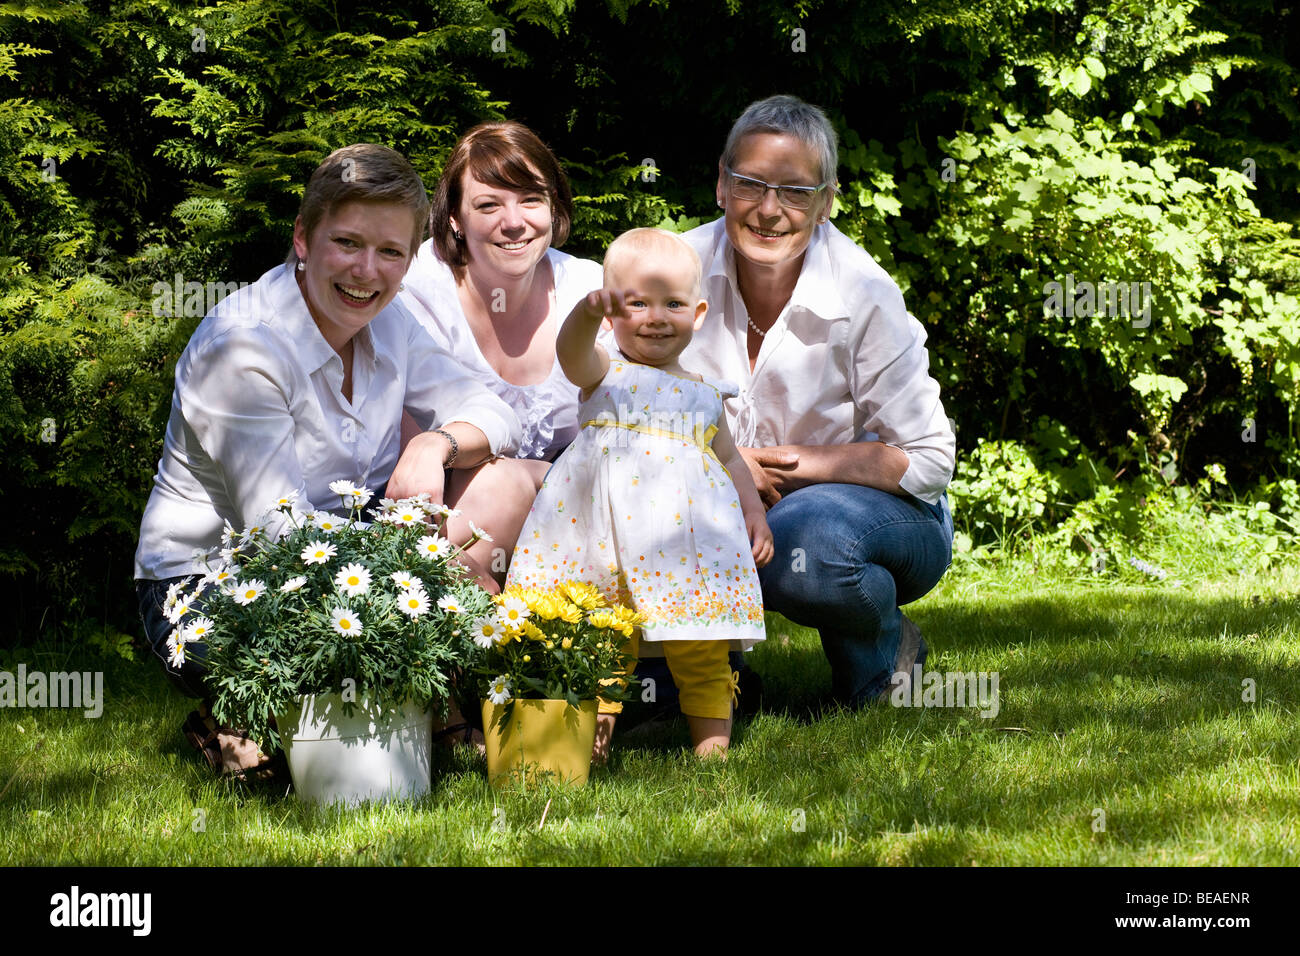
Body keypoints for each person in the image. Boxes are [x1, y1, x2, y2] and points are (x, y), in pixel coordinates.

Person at [133, 143, 521, 773]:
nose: (367, 271)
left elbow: (499, 412)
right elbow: (280, 536)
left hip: (341, 558)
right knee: (305, 715)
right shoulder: (243, 350)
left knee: (501, 478)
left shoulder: (391, 323)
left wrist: (434, 443)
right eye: (348, 243)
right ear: (303, 239)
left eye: (391, 252)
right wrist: (421, 589)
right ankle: (252, 716)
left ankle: (312, 719)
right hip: (210, 586)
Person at [679, 94, 956, 709]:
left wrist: (773, 463)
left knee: (812, 540)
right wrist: (723, 465)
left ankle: (884, 664)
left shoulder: (864, 292)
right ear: (721, 184)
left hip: (888, 516)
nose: (770, 210)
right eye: (751, 183)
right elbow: (618, 403)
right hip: (714, 494)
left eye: (797, 192)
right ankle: (709, 686)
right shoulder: (675, 269)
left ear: (826, 201)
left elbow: (931, 462)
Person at [505, 228, 773, 758]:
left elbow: (730, 458)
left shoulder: (704, 393)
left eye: (672, 304)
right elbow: (572, 356)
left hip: (687, 552)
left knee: (702, 645)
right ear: (612, 318)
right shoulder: (607, 373)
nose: (656, 317)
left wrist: (754, 509)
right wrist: (583, 317)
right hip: (603, 546)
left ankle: (712, 751)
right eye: (637, 303)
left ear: (697, 315)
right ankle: (592, 746)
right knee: (605, 641)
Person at [398, 121, 603, 588]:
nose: (514, 222)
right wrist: (530, 478)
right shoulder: (417, 290)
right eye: (488, 205)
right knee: (500, 483)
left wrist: (539, 478)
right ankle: (451, 643)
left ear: (554, 204)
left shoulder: (589, 289)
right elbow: (413, 464)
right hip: (442, 510)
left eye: (530, 199)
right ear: (454, 217)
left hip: (572, 500)